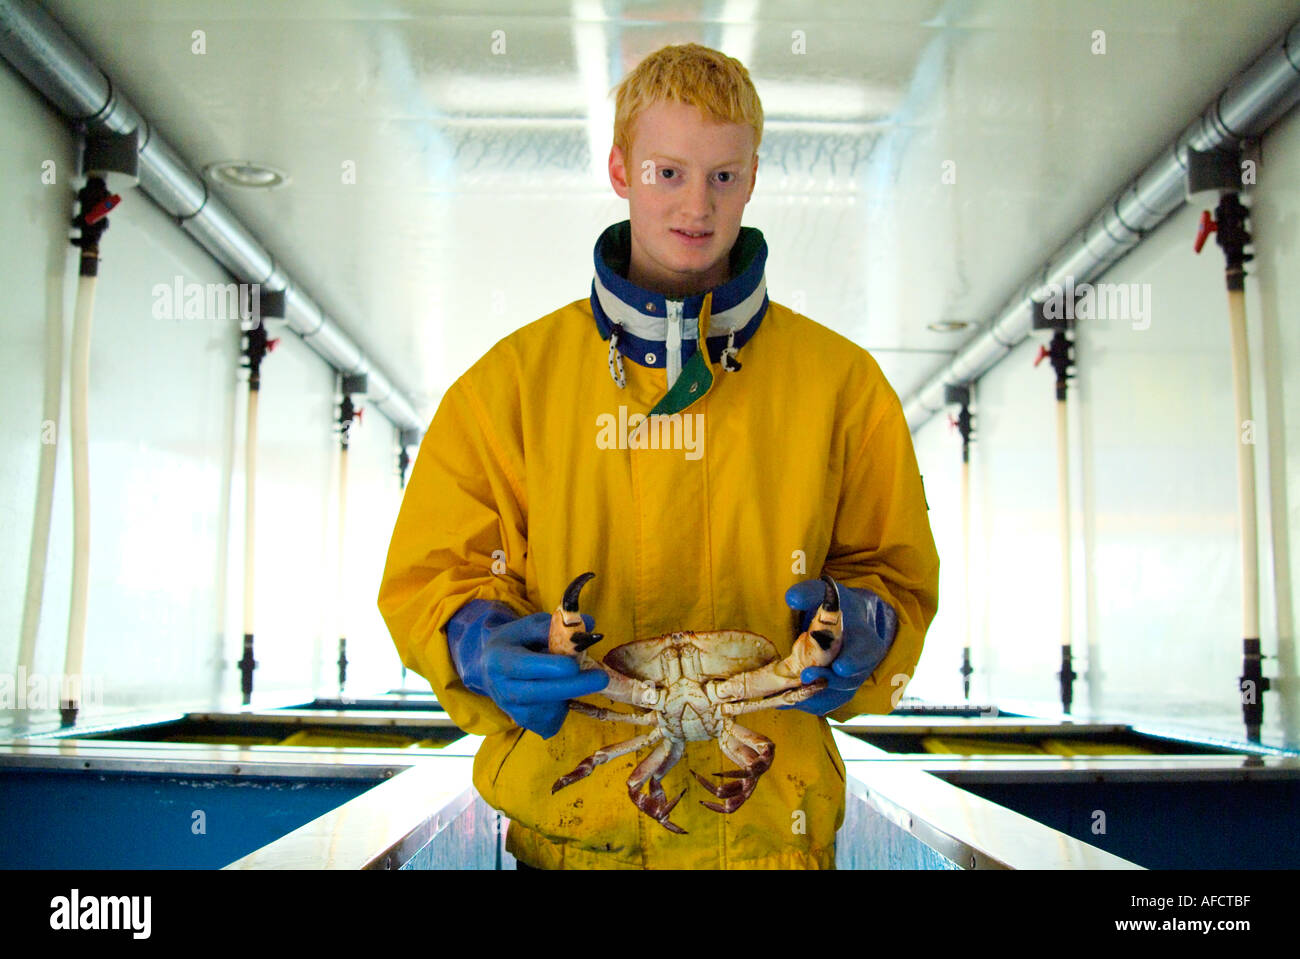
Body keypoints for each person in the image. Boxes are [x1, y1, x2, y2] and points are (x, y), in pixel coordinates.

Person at [378, 42, 939, 870]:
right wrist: (475, 640)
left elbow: (893, 571)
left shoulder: (843, 386)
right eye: (667, 172)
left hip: (775, 848)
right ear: (619, 169)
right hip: (566, 842)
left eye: (722, 176)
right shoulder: (508, 386)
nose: (697, 206)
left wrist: (870, 626)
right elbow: (434, 574)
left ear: (752, 177)